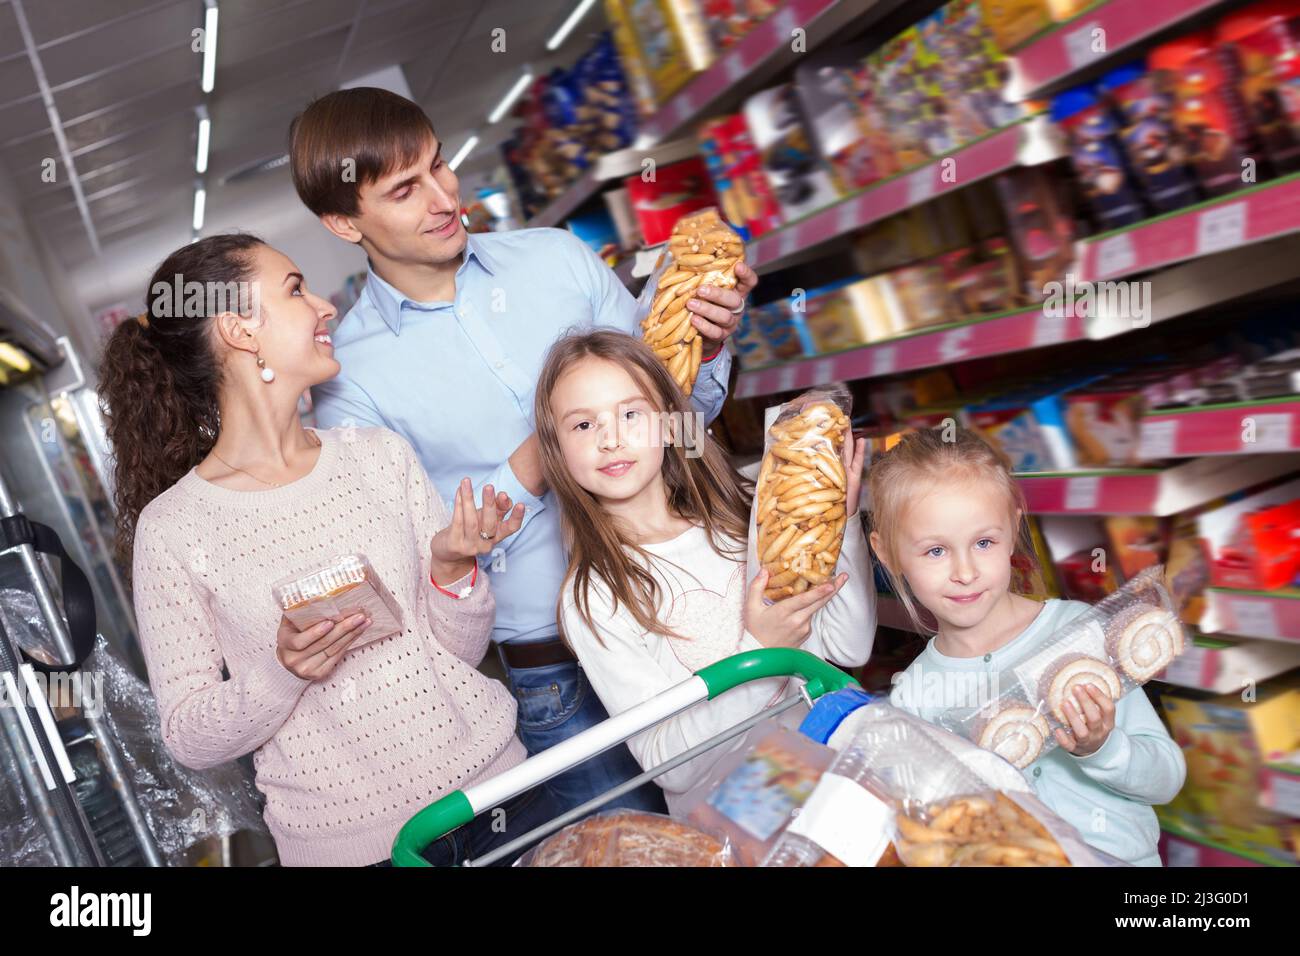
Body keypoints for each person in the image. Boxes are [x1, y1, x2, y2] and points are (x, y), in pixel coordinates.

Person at [289, 87, 759, 814]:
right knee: (631, 859)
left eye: (441, 166)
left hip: (686, 611)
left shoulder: (557, 259)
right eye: (405, 189)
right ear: (343, 221)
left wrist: (706, 339)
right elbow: (421, 555)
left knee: (765, 813)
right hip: (554, 672)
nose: (445, 197)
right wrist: (552, 443)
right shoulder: (351, 378)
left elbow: (684, 418)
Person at [99, 233, 555, 866]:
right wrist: (280, 671)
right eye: (294, 290)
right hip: (355, 850)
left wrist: (452, 567)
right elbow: (187, 734)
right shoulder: (173, 528)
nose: (325, 306)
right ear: (240, 330)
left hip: (500, 796)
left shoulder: (377, 455)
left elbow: (456, 654)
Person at [534, 330, 874, 812]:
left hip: (831, 776)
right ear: (558, 453)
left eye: (631, 414)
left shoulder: (744, 519)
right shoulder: (596, 596)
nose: (610, 439)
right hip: (735, 819)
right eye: (583, 426)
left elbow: (849, 645)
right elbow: (668, 765)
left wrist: (842, 519)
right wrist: (761, 649)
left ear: (672, 426)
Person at [873, 427, 1186, 866]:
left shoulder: (1080, 635)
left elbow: (1167, 780)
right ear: (887, 554)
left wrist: (1102, 747)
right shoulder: (914, 698)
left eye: (984, 542)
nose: (965, 571)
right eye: (936, 551)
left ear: (1013, 530)